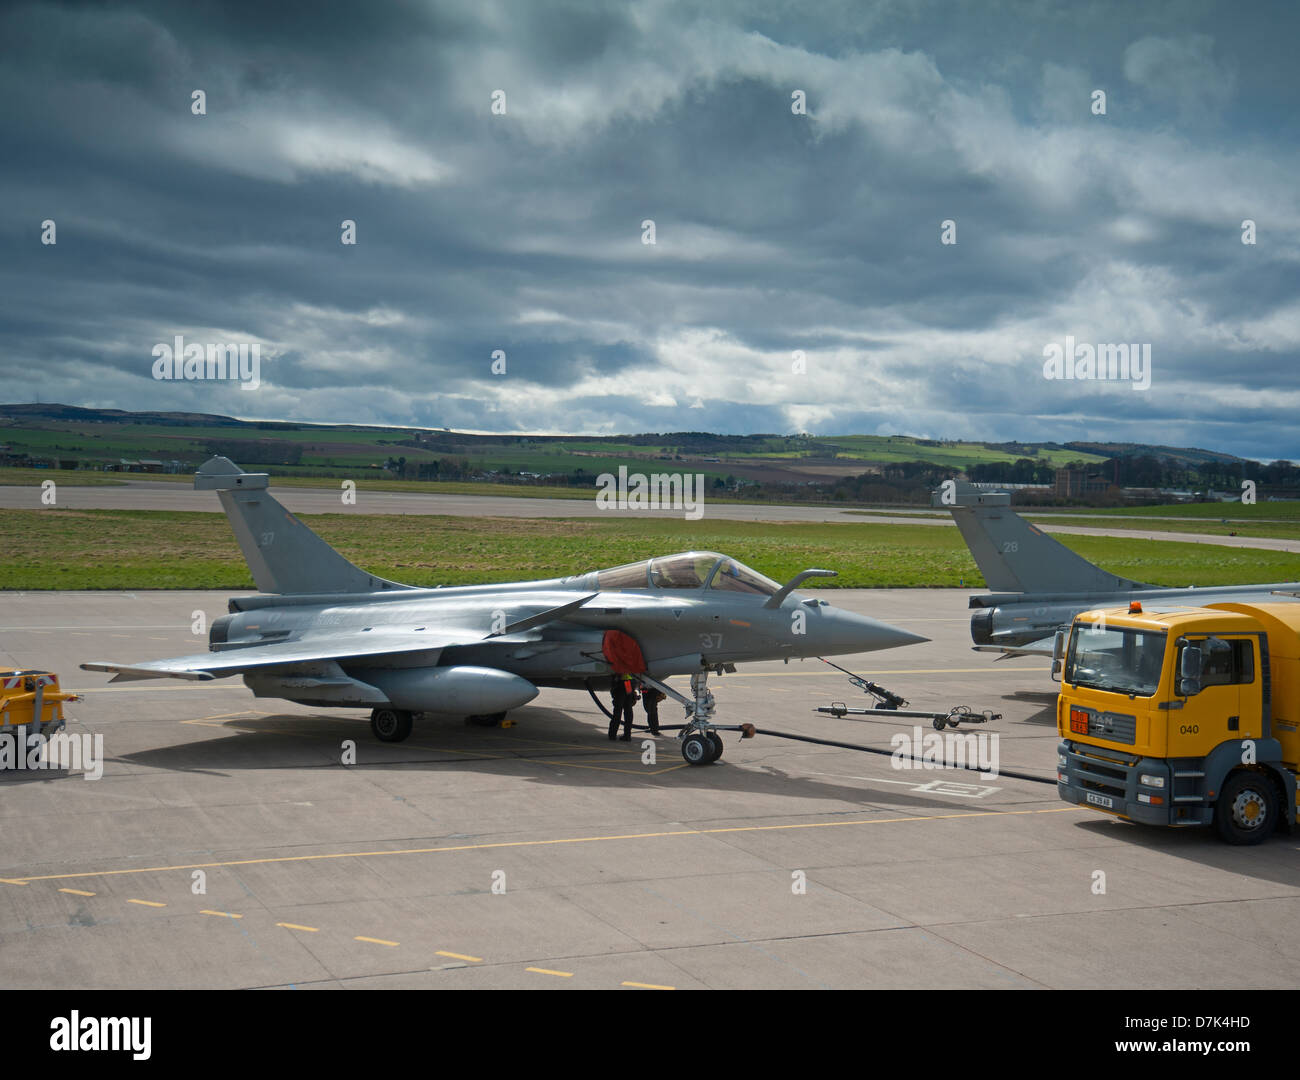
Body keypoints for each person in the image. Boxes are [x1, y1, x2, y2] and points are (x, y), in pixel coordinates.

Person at [609, 672, 637, 741]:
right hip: (629, 683)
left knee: (618, 711)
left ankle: (612, 735)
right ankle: (627, 735)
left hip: (621, 683)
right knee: (628, 710)